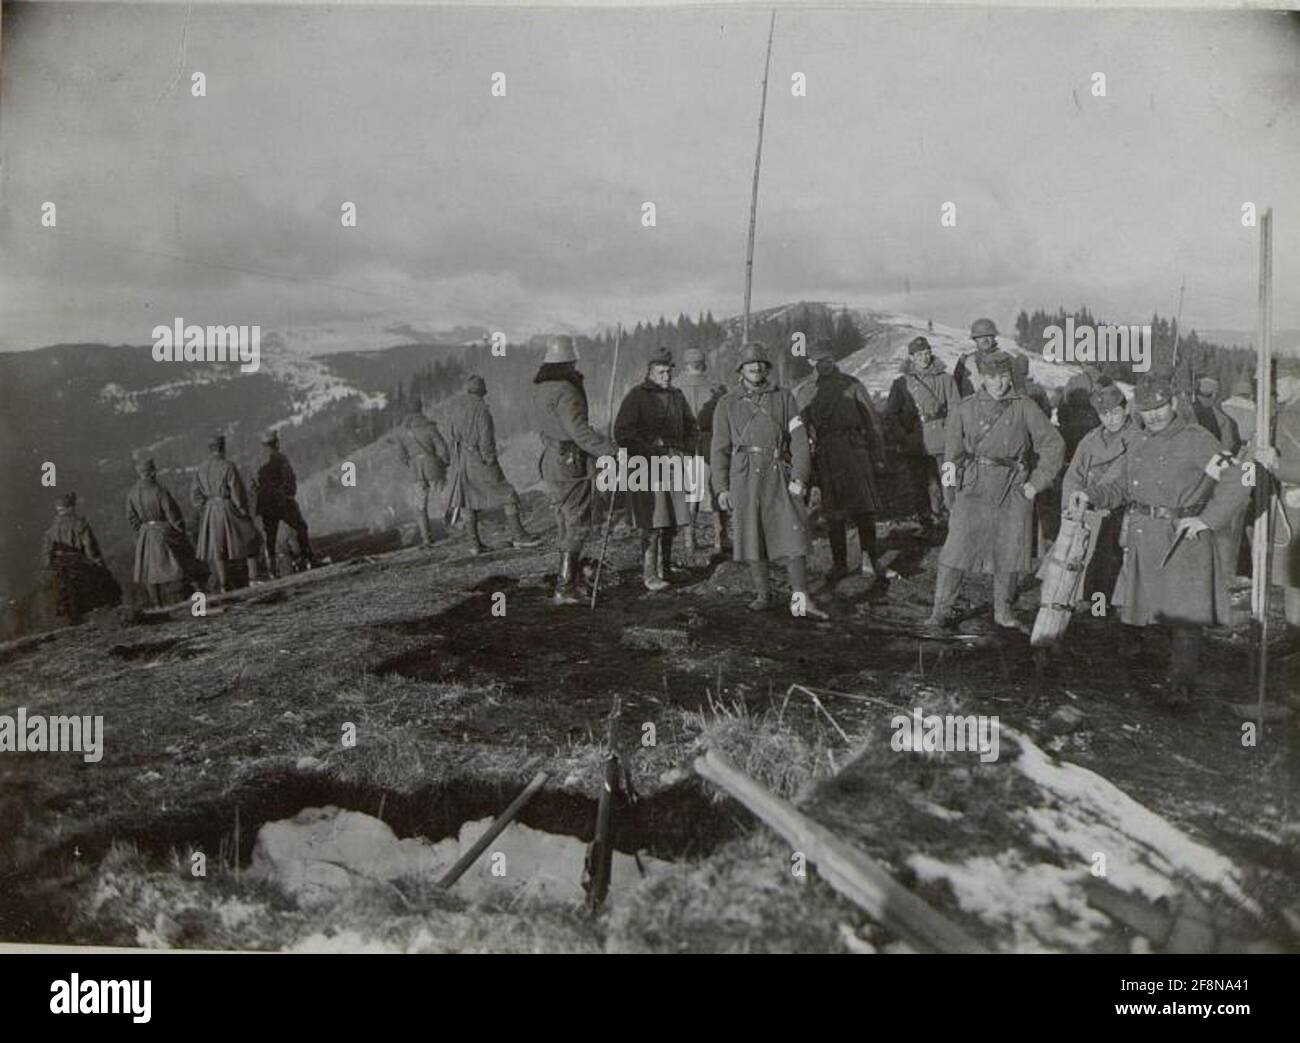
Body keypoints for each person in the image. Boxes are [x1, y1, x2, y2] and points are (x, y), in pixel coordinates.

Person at [1079, 375, 1250, 707]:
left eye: (1159, 407)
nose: (1154, 415)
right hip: (1144, 537)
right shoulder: (1140, 442)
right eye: (1146, 410)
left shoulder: (1197, 440)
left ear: (1173, 403)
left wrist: (1206, 520)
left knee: (1184, 617)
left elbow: (1240, 478)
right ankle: (1133, 678)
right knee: (1136, 610)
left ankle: (1180, 685)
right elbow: (1123, 488)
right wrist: (1091, 495)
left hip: (1182, 539)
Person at [927, 350, 1065, 630]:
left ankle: (1003, 611)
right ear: (982, 377)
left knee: (1010, 551)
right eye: (992, 377)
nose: (999, 383)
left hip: (1013, 487)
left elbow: (1054, 445)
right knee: (956, 549)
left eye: (1004, 376)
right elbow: (952, 457)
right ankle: (940, 610)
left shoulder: (1024, 406)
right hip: (973, 485)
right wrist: (950, 494)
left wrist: (1036, 483)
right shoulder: (964, 408)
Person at [711, 341, 828, 621]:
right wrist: (722, 487)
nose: (756, 368)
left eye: (761, 363)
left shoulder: (784, 397)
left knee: (793, 535)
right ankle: (763, 595)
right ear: (741, 369)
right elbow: (719, 448)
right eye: (750, 364)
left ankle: (801, 599)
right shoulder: (727, 404)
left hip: (778, 472)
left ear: (767, 368)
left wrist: (799, 476)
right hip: (744, 476)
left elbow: (799, 441)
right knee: (752, 533)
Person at [797, 338, 892, 588]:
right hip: (826, 456)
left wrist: (879, 456)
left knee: (865, 509)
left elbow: (872, 423)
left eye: (827, 359)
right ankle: (839, 564)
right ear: (809, 362)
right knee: (833, 512)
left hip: (855, 452)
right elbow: (798, 431)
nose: (823, 365)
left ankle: (870, 560)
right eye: (817, 361)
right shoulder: (807, 391)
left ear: (834, 359)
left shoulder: (852, 384)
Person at [533, 334, 618, 606]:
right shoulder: (566, 390)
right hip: (570, 463)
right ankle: (565, 586)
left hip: (552, 459)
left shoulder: (543, 388)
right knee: (577, 523)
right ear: (569, 361)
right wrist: (610, 449)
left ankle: (571, 581)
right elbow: (579, 432)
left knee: (565, 520)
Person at [614, 347, 696, 591]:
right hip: (646, 466)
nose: (666, 376)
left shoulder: (677, 396)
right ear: (650, 372)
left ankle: (666, 569)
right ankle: (649, 574)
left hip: (674, 461)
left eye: (669, 371)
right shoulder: (636, 396)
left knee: (671, 519)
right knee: (652, 520)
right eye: (661, 372)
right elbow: (622, 432)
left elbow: (692, 426)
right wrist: (647, 445)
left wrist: (687, 449)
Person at [1059, 383, 1138, 613]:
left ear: (1125, 410)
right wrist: (1070, 506)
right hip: (1088, 509)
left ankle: (1103, 610)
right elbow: (1074, 474)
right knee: (1078, 558)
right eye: (1104, 414)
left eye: (1115, 412)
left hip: (1120, 512)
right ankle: (1082, 604)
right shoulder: (1091, 439)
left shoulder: (1138, 439)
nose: (1111, 419)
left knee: (1109, 563)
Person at [443, 374, 541, 555]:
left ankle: (474, 545)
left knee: (468, 500)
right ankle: (519, 536)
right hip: (479, 459)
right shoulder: (481, 409)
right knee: (508, 493)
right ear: (482, 391)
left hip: (463, 460)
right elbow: (486, 439)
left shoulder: (456, 408)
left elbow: (452, 435)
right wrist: (490, 460)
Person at [885, 336, 960, 539]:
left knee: (949, 483)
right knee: (919, 485)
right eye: (919, 354)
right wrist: (904, 436)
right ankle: (926, 523)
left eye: (926, 353)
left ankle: (954, 525)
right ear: (911, 357)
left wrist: (954, 437)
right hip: (916, 443)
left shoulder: (946, 379)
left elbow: (956, 410)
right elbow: (891, 414)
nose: (924, 358)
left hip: (945, 442)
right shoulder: (901, 383)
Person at [1248, 387, 1300, 637]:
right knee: (1292, 578)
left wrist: (1281, 466)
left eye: (1283, 378)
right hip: (1282, 509)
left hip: (1293, 503)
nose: (1276, 385)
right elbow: (1250, 459)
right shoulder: (1275, 413)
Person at [191, 433, 265, 593]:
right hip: (228, 506)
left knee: (219, 549)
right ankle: (254, 578)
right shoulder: (227, 466)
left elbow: (195, 495)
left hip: (211, 510)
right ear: (222, 447)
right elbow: (237, 493)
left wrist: (206, 508)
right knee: (251, 537)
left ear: (210, 449)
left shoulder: (200, 469)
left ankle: (224, 585)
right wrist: (243, 511)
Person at [676, 346, 729, 555]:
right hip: (712, 441)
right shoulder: (717, 388)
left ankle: (690, 540)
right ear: (703, 364)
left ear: (686, 365)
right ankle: (720, 538)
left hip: (687, 444)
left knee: (692, 492)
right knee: (718, 487)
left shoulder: (675, 387)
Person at [127, 457, 196, 607]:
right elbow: (172, 514)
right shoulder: (159, 491)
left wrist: (143, 531)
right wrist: (179, 530)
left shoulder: (132, 494)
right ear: (152, 472)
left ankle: (157, 605)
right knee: (179, 564)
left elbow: (132, 519)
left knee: (149, 572)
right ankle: (188, 599)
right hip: (163, 530)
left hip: (145, 533)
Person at [42, 493, 119, 622]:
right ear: (71, 508)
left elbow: (46, 554)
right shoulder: (80, 524)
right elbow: (90, 548)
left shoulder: (51, 530)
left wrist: (51, 566)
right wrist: (98, 563)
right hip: (78, 564)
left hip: (61, 567)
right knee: (106, 581)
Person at [389, 397, 450, 548]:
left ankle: (427, 539)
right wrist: (445, 463)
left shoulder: (401, 433)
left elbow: (402, 457)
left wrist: (411, 464)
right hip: (433, 466)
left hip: (416, 471)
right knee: (446, 496)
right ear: (421, 408)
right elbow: (442, 448)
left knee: (420, 506)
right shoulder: (429, 427)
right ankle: (457, 526)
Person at [254, 429, 316, 575]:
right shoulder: (280, 458)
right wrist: (289, 494)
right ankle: (309, 559)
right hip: (281, 500)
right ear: (276, 443)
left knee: (270, 536)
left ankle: (272, 569)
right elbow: (289, 479)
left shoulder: (256, 461)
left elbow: (253, 484)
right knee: (301, 527)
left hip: (265, 504)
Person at [1058, 364, 1104, 460]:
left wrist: (1065, 424)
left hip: (1071, 433)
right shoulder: (1108, 385)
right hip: (1096, 439)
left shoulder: (1074, 381)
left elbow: (1062, 408)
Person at [953, 317, 1001, 399]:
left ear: (994, 338)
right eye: (981, 336)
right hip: (969, 409)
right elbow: (954, 390)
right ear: (975, 339)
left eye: (989, 335)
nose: (985, 339)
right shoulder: (964, 361)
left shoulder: (1005, 360)